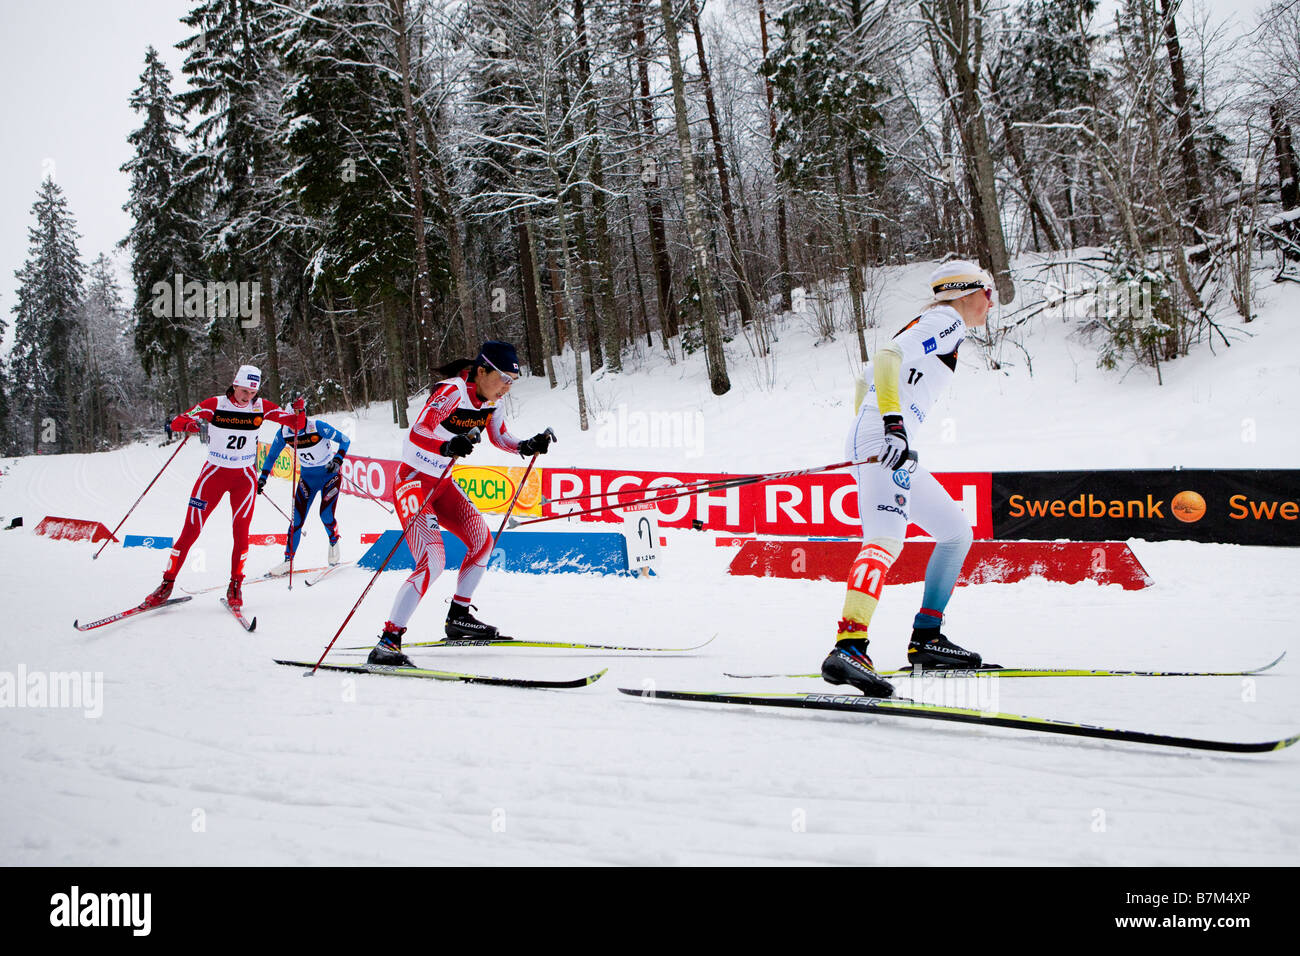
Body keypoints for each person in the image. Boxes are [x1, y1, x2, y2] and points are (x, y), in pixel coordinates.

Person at [821, 261, 994, 698]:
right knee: (884, 541)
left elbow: (866, 377)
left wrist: (870, 429)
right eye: (986, 292)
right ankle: (849, 645)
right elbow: (884, 358)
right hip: (887, 438)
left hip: (883, 439)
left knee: (955, 532)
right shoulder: (948, 320)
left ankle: (927, 639)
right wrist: (890, 425)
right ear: (964, 292)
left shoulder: (934, 323)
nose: (990, 302)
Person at [367, 341, 555, 666]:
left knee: (483, 542)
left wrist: (526, 445)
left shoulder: (492, 402)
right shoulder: (453, 391)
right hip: (413, 481)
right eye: (503, 379)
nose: (507, 388)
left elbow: (500, 438)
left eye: (512, 381)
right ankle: (388, 641)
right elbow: (419, 432)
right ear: (482, 371)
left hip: (442, 484)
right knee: (433, 559)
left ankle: (459, 617)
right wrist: (446, 445)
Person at [140, 365, 306, 611]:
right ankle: (166, 584)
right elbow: (177, 421)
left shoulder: (261, 407)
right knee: (190, 530)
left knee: (241, 534)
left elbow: (295, 424)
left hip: (245, 478)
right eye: (243, 390)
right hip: (214, 476)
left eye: (252, 391)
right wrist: (188, 424)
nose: (247, 396)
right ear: (234, 384)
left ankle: (236, 585)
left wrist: (300, 410)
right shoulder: (215, 404)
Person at [257, 417, 351, 573]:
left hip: (329, 476)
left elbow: (345, 440)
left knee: (326, 515)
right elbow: (272, 455)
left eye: (298, 425)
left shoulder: (317, 426)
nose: (295, 430)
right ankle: (288, 560)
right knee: (297, 520)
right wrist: (263, 478)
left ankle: (334, 540)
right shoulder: (283, 432)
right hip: (307, 479)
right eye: (292, 425)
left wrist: (338, 459)